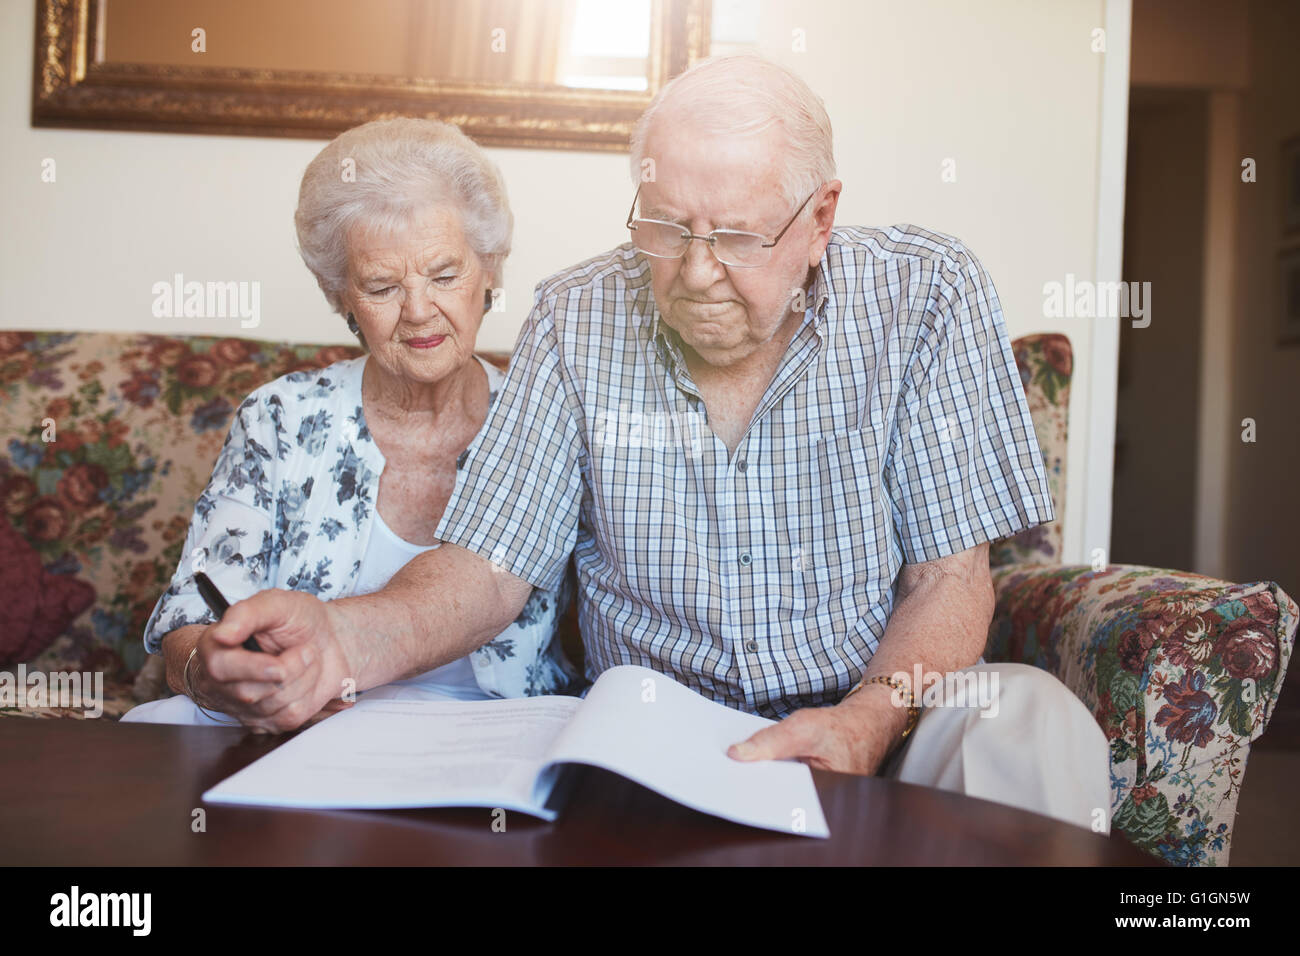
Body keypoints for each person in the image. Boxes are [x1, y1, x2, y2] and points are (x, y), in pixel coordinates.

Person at [190, 55, 1111, 832]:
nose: (699, 273)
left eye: (740, 237)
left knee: (1031, 721)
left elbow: (948, 581)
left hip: (885, 711)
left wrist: (864, 722)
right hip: (662, 736)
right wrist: (337, 640)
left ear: (821, 217)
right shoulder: (575, 315)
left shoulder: (927, 297)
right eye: (668, 230)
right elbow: (486, 568)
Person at [122, 117, 578, 729]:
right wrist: (221, 676)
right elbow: (187, 625)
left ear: (490, 268)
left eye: (445, 276)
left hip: (487, 734)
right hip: (304, 729)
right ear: (340, 294)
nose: (419, 312)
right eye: (382, 286)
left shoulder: (543, 413)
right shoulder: (280, 418)